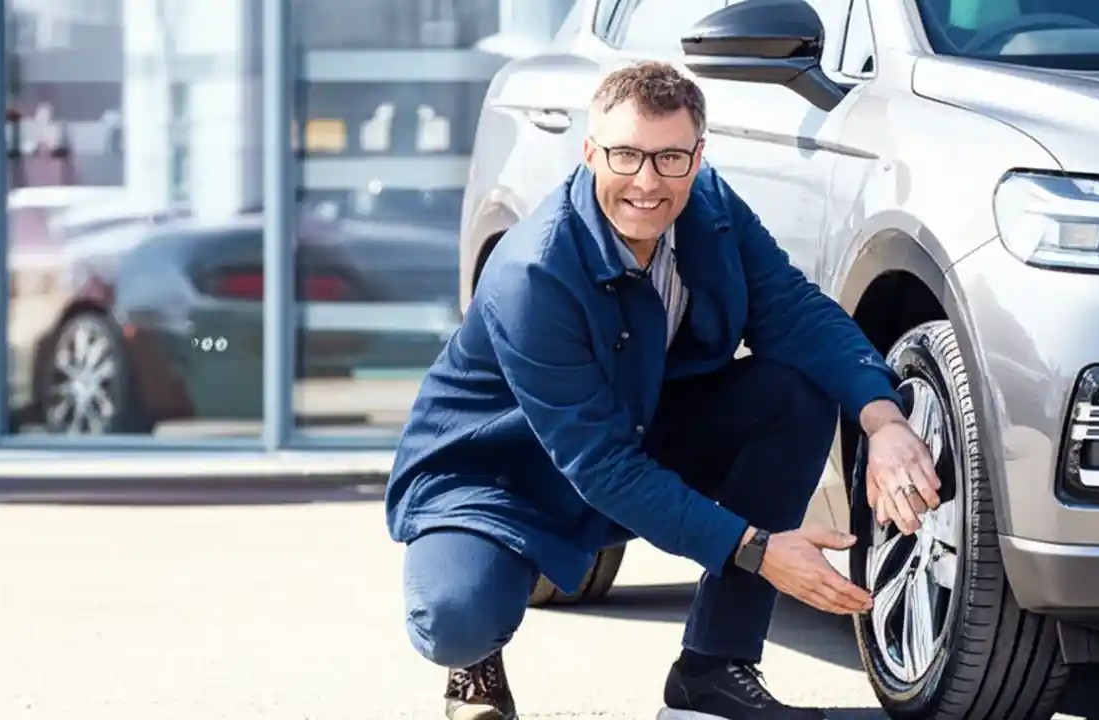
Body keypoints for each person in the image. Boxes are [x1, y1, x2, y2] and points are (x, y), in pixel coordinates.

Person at [386, 60, 943, 720]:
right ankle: (474, 667)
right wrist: (759, 550)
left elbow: (793, 311)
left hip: (639, 430)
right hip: (500, 477)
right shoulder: (534, 273)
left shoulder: (710, 209)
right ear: (590, 151)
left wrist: (884, 420)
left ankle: (712, 671)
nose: (648, 183)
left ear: (698, 156)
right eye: (626, 155)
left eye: (671, 158)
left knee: (794, 394)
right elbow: (600, 464)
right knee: (457, 618)